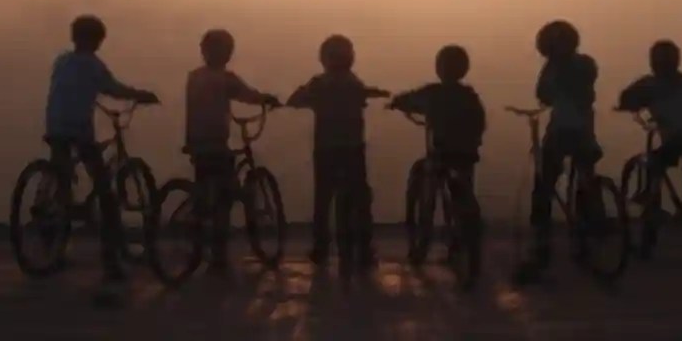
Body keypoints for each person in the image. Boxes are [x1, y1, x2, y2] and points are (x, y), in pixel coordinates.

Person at [45, 15, 158, 293]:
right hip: (78, 130)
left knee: (61, 181)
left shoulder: (62, 60)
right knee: (107, 197)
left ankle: (55, 242)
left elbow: (68, 89)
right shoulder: (94, 66)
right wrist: (141, 95)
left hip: (54, 127)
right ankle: (112, 263)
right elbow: (114, 89)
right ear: (98, 40)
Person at [287, 35, 389, 267]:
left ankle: (321, 247)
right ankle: (364, 248)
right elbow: (364, 95)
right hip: (353, 148)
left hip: (325, 149)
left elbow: (295, 100)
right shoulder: (353, 82)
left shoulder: (319, 83)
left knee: (323, 199)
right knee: (361, 197)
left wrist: (301, 97)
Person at [184, 29, 278, 272]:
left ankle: (197, 228)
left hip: (197, 142)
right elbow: (248, 95)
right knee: (225, 199)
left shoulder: (194, 77)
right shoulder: (225, 78)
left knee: (205, 191)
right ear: (227, 54)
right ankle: (218, 256)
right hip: (216, 142)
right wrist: (268, 99)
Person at [519, 20, 601, 280]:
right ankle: (588, 232)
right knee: (585, 177)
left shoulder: (552, 68)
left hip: (561, 132)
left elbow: (542, 95)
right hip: (586, 132)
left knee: (544, 184)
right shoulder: (587, 64)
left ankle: (541, 244)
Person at [389, 45, 487, 260]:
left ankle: (422, 244)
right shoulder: (470, 96)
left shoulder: (432, 93)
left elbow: (409, 99)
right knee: (465, 189)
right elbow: (480, 124)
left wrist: (395, 103)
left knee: (426, 193)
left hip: (440, 154)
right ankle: (463, 239)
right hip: (466, 154)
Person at [617, 39, 682, 252]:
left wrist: (628, 106)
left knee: (654, 168)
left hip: (677, 140)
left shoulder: (649, 84)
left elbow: (626, 99)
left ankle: (652, 219)